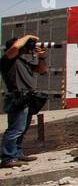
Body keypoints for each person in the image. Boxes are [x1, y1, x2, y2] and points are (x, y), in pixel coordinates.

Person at [2, 34, 48, 168]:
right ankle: (7, 158)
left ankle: (17, 154)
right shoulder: (7, 60)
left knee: (22, 129)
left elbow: (41, 69)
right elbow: (16, 46)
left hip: (28, 97)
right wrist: (27, 36)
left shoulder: (22, 61)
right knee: (15, 130)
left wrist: (42, 57)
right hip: (17, 97)